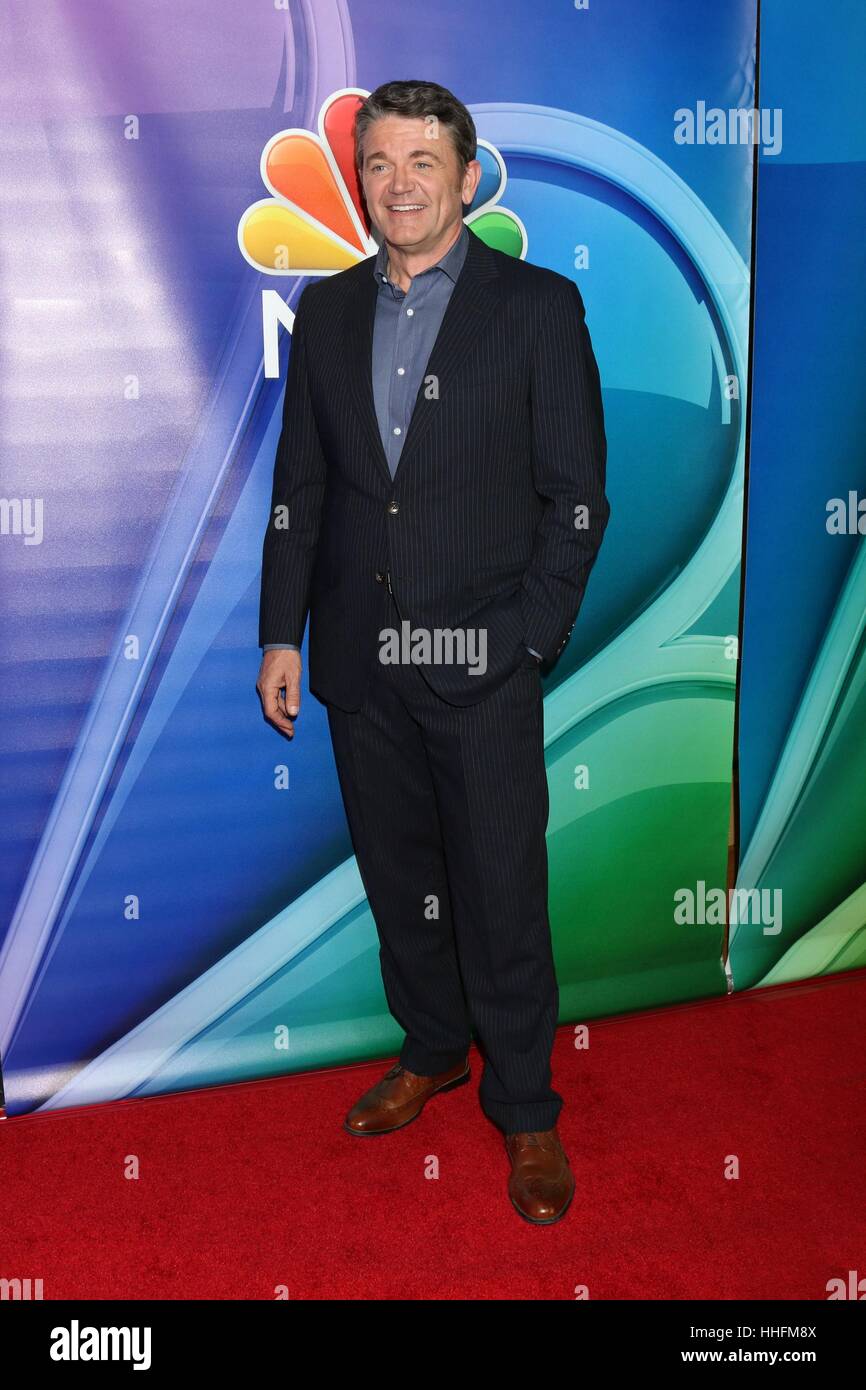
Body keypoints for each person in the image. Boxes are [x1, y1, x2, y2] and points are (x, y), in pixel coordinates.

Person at [257, 79, 610, 1224]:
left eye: (421, 162)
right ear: (358, 180)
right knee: (400, 881)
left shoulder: (536, 310)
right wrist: (281, 630)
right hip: (360, 664)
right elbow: (299, 492)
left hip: (481, 665)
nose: (396, 184)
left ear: (464, 177)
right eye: (377, 163)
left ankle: (525, 1109)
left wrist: (523, 641)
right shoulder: (326, 310)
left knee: (501, 892)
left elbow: (575, 501)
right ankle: (431, 1047)